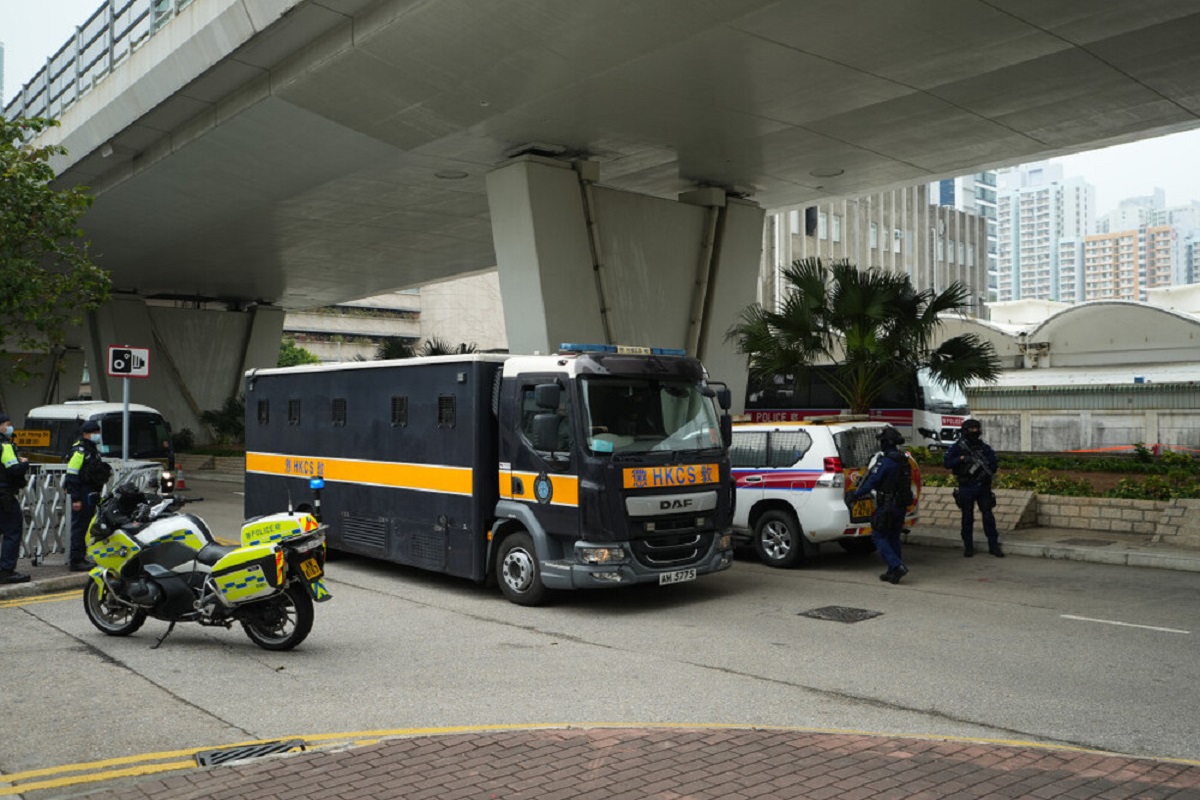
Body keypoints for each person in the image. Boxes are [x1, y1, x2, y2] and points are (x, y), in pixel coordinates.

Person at [848, 426, 912, 584]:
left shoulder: (886, 461)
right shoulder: (903, 460)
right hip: (900, 504)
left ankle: (897, 566)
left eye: (881, 441)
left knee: (878, 535)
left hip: (887, 505)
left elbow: (872, 481)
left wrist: (855, 495)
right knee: (893, 536)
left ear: (886, 442)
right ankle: (892, 571)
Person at [944, 418, 1003, 558]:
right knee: (967, 517)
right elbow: (947, 463)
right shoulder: (958, 447)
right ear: (965, 431)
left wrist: (986, 472)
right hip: (966, 486)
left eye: (976, 429)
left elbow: (993, 464)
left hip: (983, 487)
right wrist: (962, 459)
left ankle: (993, 545)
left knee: (988, 516)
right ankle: (968, 546)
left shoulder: (984, 448)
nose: (974, 432)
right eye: (971, 430)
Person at [63, 419, 112, 571]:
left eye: (98, 432)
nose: (97, 435)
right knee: (80, 527)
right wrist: (76, 498)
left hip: (90, 492)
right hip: (82, 493)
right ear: (86, 434)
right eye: (94, 432)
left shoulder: (91, 449)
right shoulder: (80, 451)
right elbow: (72, 474)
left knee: (86, 526)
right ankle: (76, 560)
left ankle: (82, 556)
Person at [0, 413, 31, 584]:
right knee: (12, 531)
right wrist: (24, 463)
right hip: (4, 496)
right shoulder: (5, 446)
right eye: (7, 424)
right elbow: (13, 470)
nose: (9, 427)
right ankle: (6, 571)